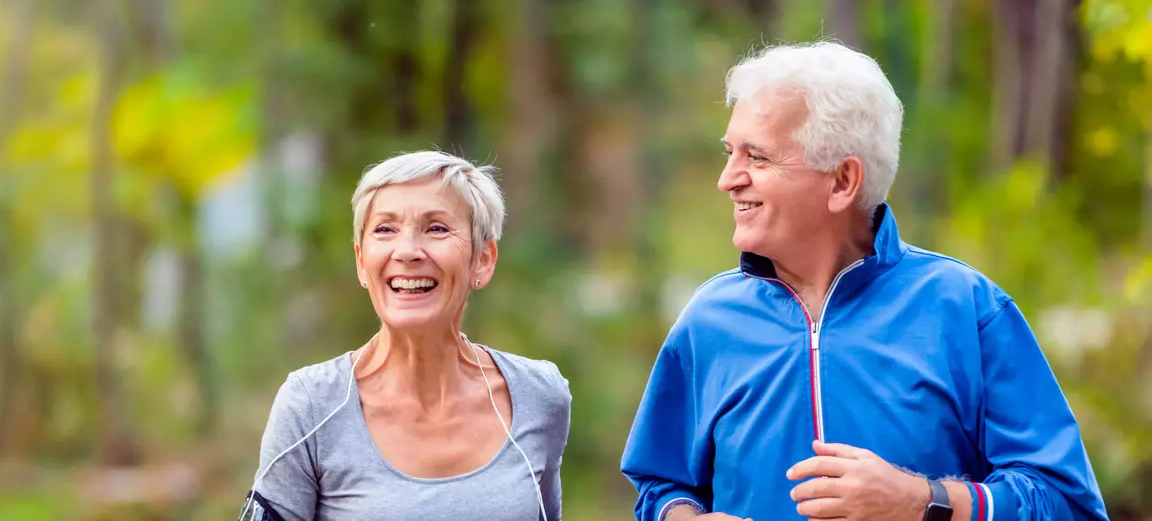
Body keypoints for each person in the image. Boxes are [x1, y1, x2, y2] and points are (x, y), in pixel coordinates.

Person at [619, 40, 1110, 521]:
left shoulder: (967, 310)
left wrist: (922, 502)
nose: (728, 179)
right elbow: (660, 487)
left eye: (757, 157)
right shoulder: (708, 321)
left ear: (842, 181)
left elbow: (1066, 503)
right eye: (730, 153)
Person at [241, 150, 571, 521]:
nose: (408, 251)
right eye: (385, 229)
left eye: (437, 228)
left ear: (483, 259)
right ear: (361, 260)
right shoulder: (310, 406)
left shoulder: (540, 395)